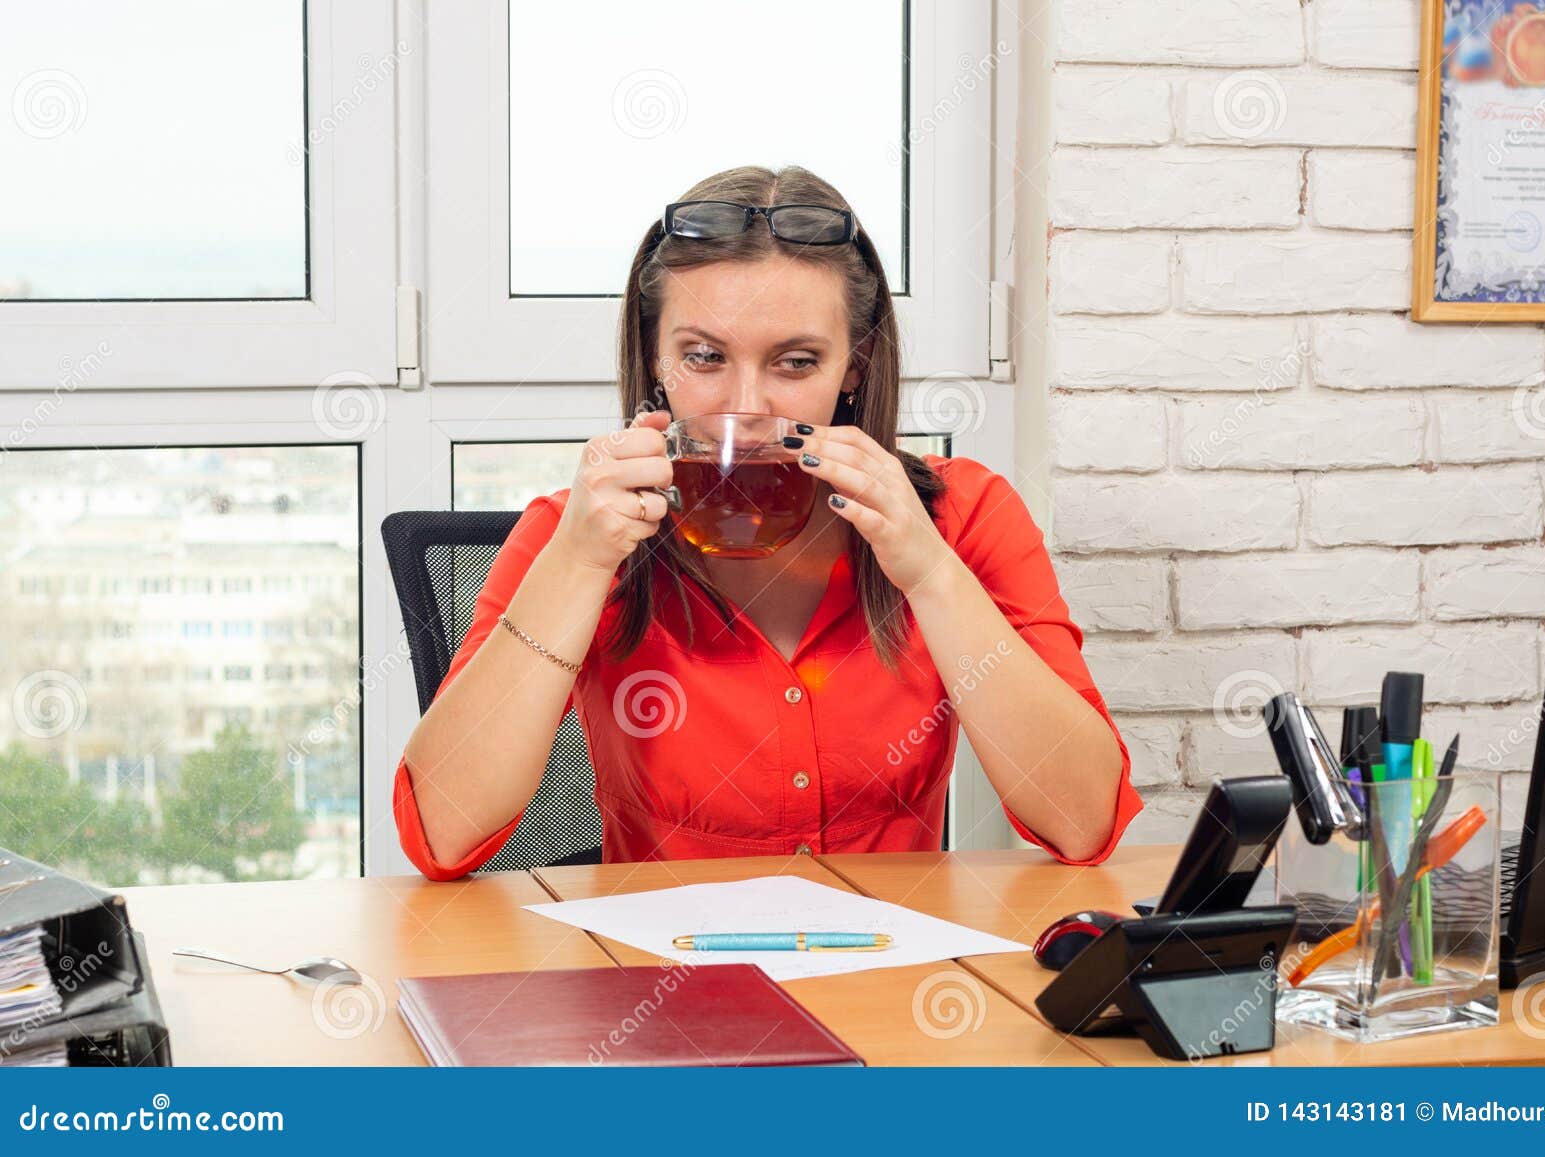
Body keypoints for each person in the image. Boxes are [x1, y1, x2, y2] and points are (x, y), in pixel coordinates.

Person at [393, 164, 1140, 880]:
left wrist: (932, 573)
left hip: (884, 987)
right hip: (658, 987)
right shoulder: (575, 533)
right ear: (657, 355)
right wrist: (578, 566)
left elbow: (1082, 821)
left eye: (794, 363)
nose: (744, 410)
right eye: (705, 356)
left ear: (856, 364)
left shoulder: (962, 515)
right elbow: (444, 830)